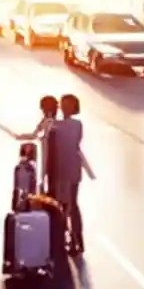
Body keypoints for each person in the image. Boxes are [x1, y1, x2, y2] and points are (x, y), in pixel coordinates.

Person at [48, 94, 95, 254]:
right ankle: (67, 237)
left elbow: (58, 132)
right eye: (63, 104)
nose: (64, 107)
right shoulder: (56, 123)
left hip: (71, 168)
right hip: (59, 168)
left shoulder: (75, 124)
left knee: (72, 204)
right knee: (62, 204)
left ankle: (77, 239)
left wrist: (50, 119)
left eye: (68, 105)